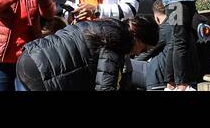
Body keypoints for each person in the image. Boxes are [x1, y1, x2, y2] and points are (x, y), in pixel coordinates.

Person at [15, 16, 159, 91]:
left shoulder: (111, 26)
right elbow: (105, 85)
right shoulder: (118, 39)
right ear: (139, 39)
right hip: (41, 69)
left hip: (31, 56)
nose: (139, 54)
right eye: (145, 49)